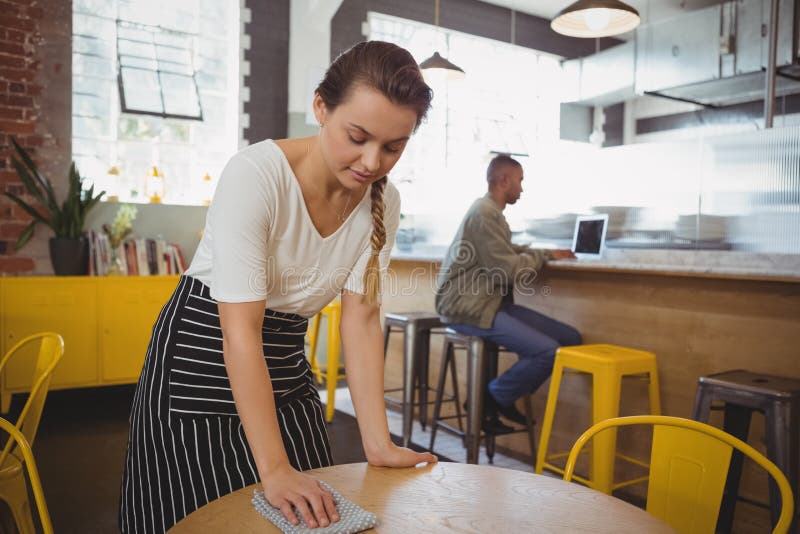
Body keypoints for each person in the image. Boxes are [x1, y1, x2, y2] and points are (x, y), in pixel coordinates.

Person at [119, 41, 437, 534]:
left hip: (285, 358)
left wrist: (377, 442)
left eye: (393, 147)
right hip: (203, 354)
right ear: (320, 107)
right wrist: (273, 468)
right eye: (357, 136)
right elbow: (240, 333)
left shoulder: (383, 201)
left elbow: (363, 317)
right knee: (201, 520)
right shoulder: (256, 175)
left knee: (319, 515)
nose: (372, 162)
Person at [435, 155, 582, 434]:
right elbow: (507, 271)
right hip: (466, 306)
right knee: (548, 352)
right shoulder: (485, 213)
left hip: (488, 303)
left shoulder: (490, 213)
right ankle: (493, 397)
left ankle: (497, 396)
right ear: (504, 180)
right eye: (520, 181)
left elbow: (504, 253)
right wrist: (541, 255)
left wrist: (543, 252)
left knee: (570, 339)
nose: (522, 189)